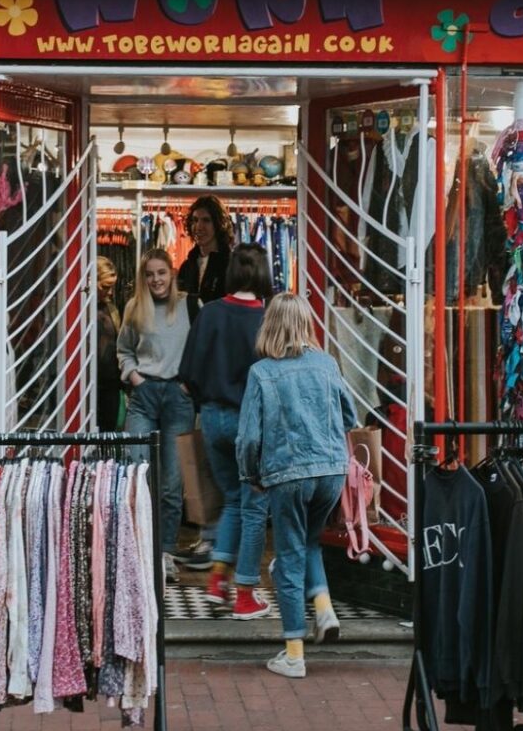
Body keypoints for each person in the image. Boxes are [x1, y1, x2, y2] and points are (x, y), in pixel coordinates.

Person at [238, 292, 356, 677]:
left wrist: (251, 476)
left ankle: (293, 652)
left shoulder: (262, 373)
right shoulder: (326, 364)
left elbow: (250, 439)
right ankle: (324, 609)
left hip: (288, 474)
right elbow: (350, 415)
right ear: (306, 324)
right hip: (331, 470)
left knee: (288, 556)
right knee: (308, 543)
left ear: (269, 326)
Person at [181, 244, 274, 620]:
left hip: (213, 419)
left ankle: (219, 577)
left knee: (233, 500)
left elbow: (186, 378)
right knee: (254, 507)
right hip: (249, 423)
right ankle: (244, 593)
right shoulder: (266, 320)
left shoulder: (211, 313)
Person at [118, 248, 210, 575]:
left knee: (171, 483)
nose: (156, 279)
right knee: (136, 474)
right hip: (144, 395)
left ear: (172, 273)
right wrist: (135, 378)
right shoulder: (134, 308)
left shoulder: (189, 305)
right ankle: (137, 550)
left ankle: (164, 553)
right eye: (149, 274)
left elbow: (203, 351)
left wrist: (189, 385)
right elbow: (124, 350)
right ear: (143, 278)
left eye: (161, 273)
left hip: (177, 396)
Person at [177, 195, 233, 315]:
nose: (198, 227)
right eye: (195, 220)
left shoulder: (232, 265)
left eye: (206, 220)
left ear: (218, 224)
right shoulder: (187, 266)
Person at [97, 259, 123, 431]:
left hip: (111, 386)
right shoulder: (78, 310)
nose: (110, 292)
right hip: (88, 386)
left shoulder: (112, 310)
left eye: (112, 286)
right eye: (105, 287)